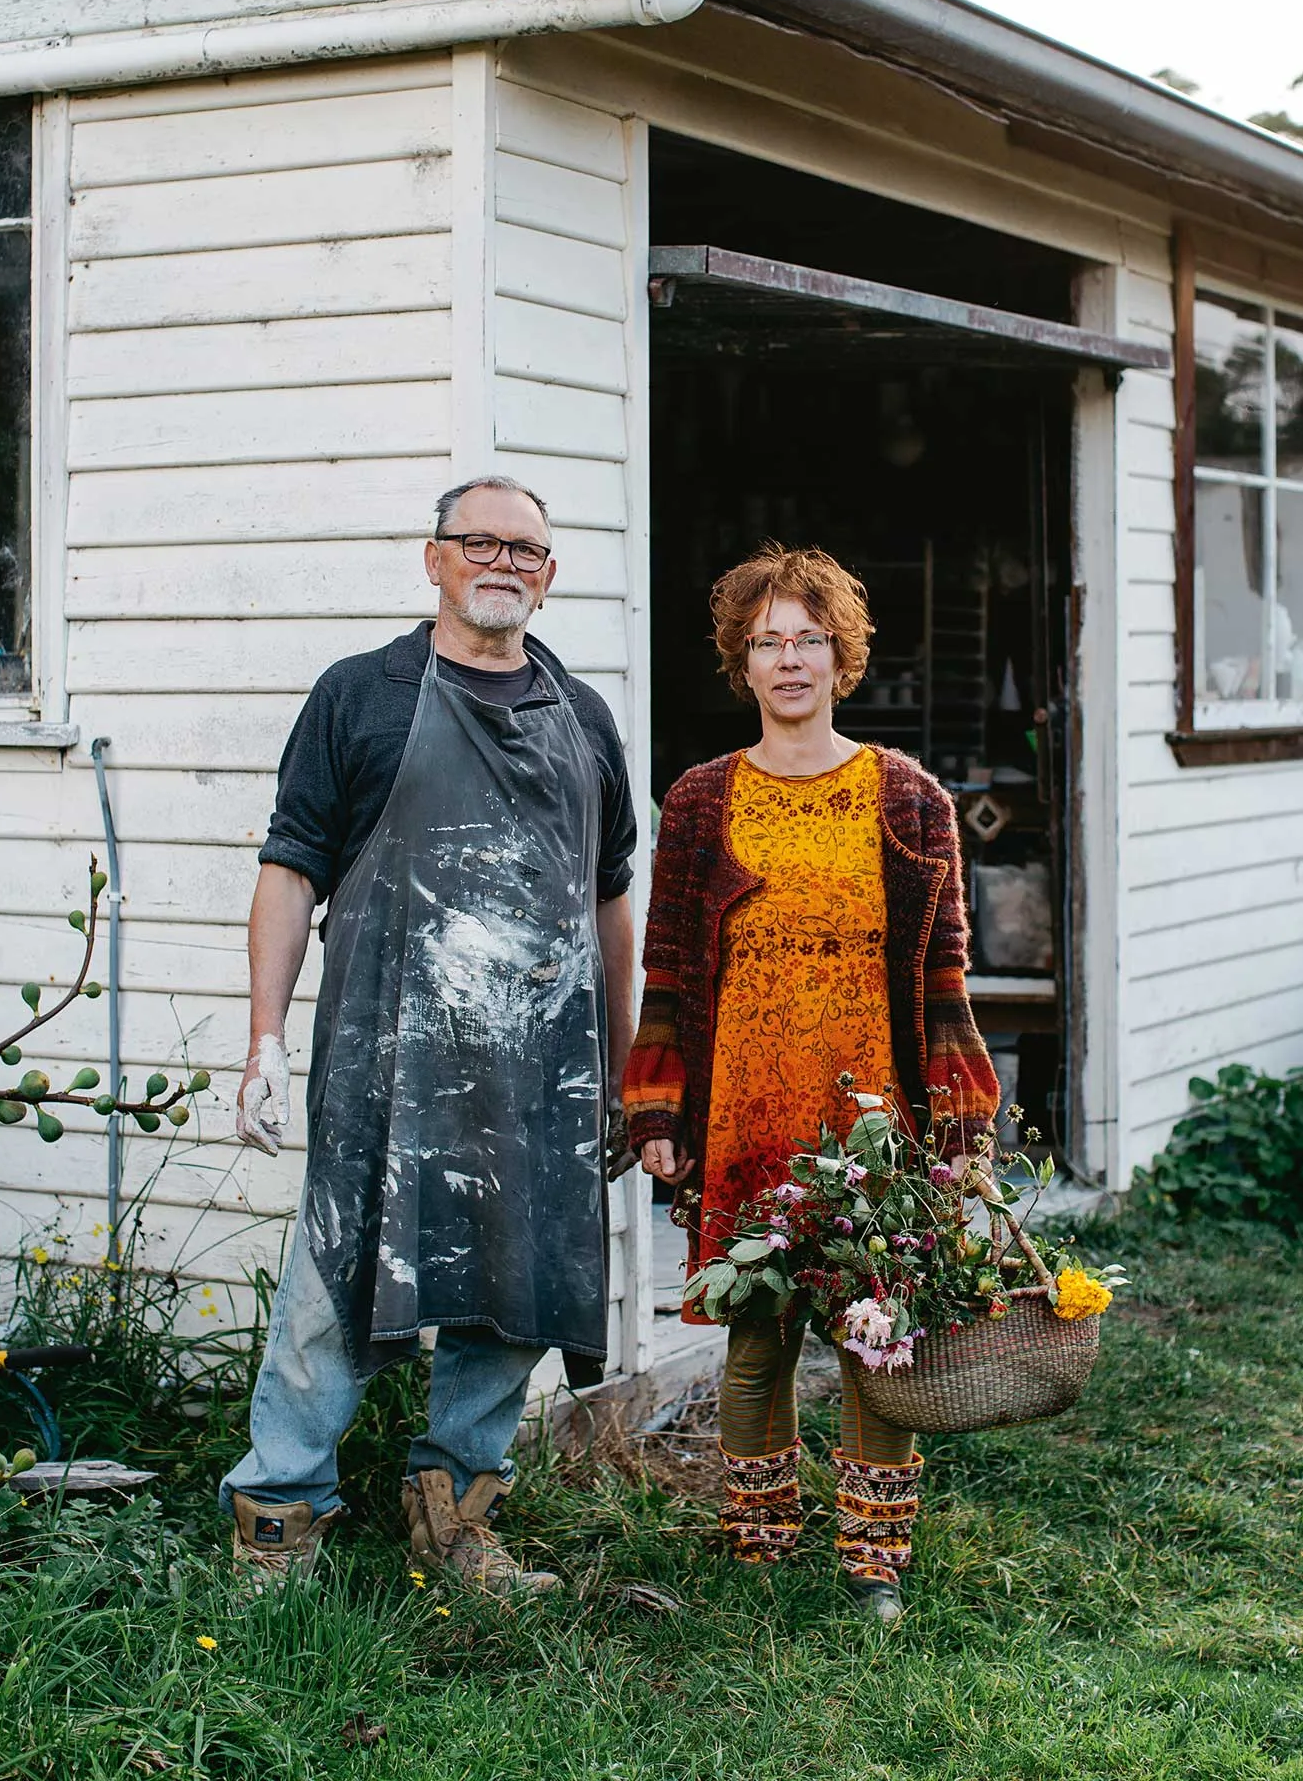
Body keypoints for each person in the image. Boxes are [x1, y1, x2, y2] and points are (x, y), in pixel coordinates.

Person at [220, 477, 637, 1595]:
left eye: (528, 548)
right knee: (333, 1284)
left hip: (542, 1076)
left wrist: (629, 1066)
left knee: (518, 1287)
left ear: (550, 576)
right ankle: (279, 1523)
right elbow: (289, 867)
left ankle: (455, 1515)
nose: (503, 560)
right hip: (384, 1065)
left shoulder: (585, 718)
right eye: (480, 541)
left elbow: (609, 903)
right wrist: (264, 1039)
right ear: (434, 558)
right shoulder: (361, 694)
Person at [622, 544, 998, 1621]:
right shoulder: (700, 800)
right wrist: (658, 1105)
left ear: (844, 657)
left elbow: (943, 973)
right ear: (740, 665)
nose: (789, 660)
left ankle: (873, 1554)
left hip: (873, 1122)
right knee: (755, 1338)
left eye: (810, 640)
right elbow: (667, 966)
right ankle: (761, 1543)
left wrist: (960, 1122)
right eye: (766, 642)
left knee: (879, 1339)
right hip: (746, 1107)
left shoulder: (908, 797)